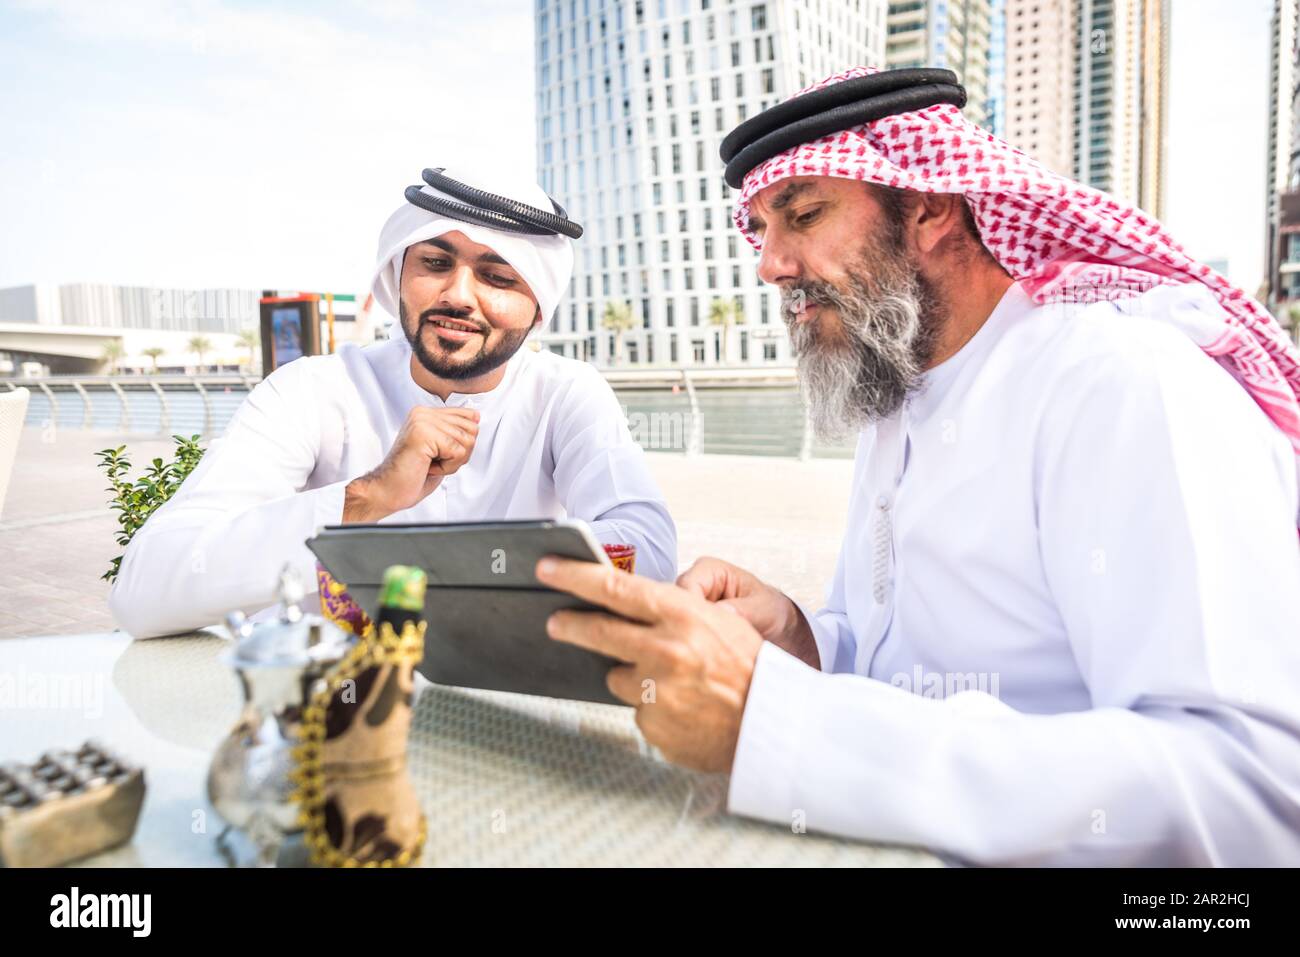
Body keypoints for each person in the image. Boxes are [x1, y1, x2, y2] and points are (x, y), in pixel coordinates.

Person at [536, 67, 1300, 866]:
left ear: (930, 205)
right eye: (761, 230)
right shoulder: (898, 392)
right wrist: (802, 642)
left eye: (803, 214)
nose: (770, 265)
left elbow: (1245, 791)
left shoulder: (1125, 386)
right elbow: (901, 667)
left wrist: (773, 721)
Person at [110, 166, 677, 638]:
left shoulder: (565, 393)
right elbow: (145, 590)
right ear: (396, 276)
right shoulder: (311, 389)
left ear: (537, 308)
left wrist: (449, 568)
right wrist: (366, 499)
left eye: (498, 277)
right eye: (435, 264)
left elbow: (647, 553)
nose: (458, 295)